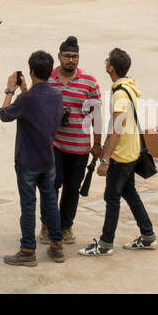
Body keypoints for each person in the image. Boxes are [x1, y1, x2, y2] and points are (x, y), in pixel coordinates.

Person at [79, 47, 157, 256]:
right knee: (129, 193)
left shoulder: (121, 95)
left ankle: (105, 243)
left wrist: (105, 159)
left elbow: (116, 130)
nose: (105, 63)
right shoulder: (128, 87)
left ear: (111, 67)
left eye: (107, 60)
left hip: (121, 156)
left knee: (112, 197)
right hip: (132, 152)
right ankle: (148, 235)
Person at [0, 51, 65, 266]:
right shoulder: (56, 96)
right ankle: (57, 246)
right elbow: (36, 108)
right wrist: (25, 90)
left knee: (28, 206)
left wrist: (10, 89)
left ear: (32, 71)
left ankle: (28, 251)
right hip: (48, 160)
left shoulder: (25, 99)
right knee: (51, 203)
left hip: (27, 161)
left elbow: (5, 114)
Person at [47, 36, 104, 246]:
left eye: (75, 56)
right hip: (54, 145)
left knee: (72, 188)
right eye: (67, 56)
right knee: (52, 186)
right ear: (59, 56)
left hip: (80, 147)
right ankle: (48, 223)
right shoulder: (49, 79)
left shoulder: (89, 82)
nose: (71, 60)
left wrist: (97, 144)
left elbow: (97, 116)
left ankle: (65, 225)